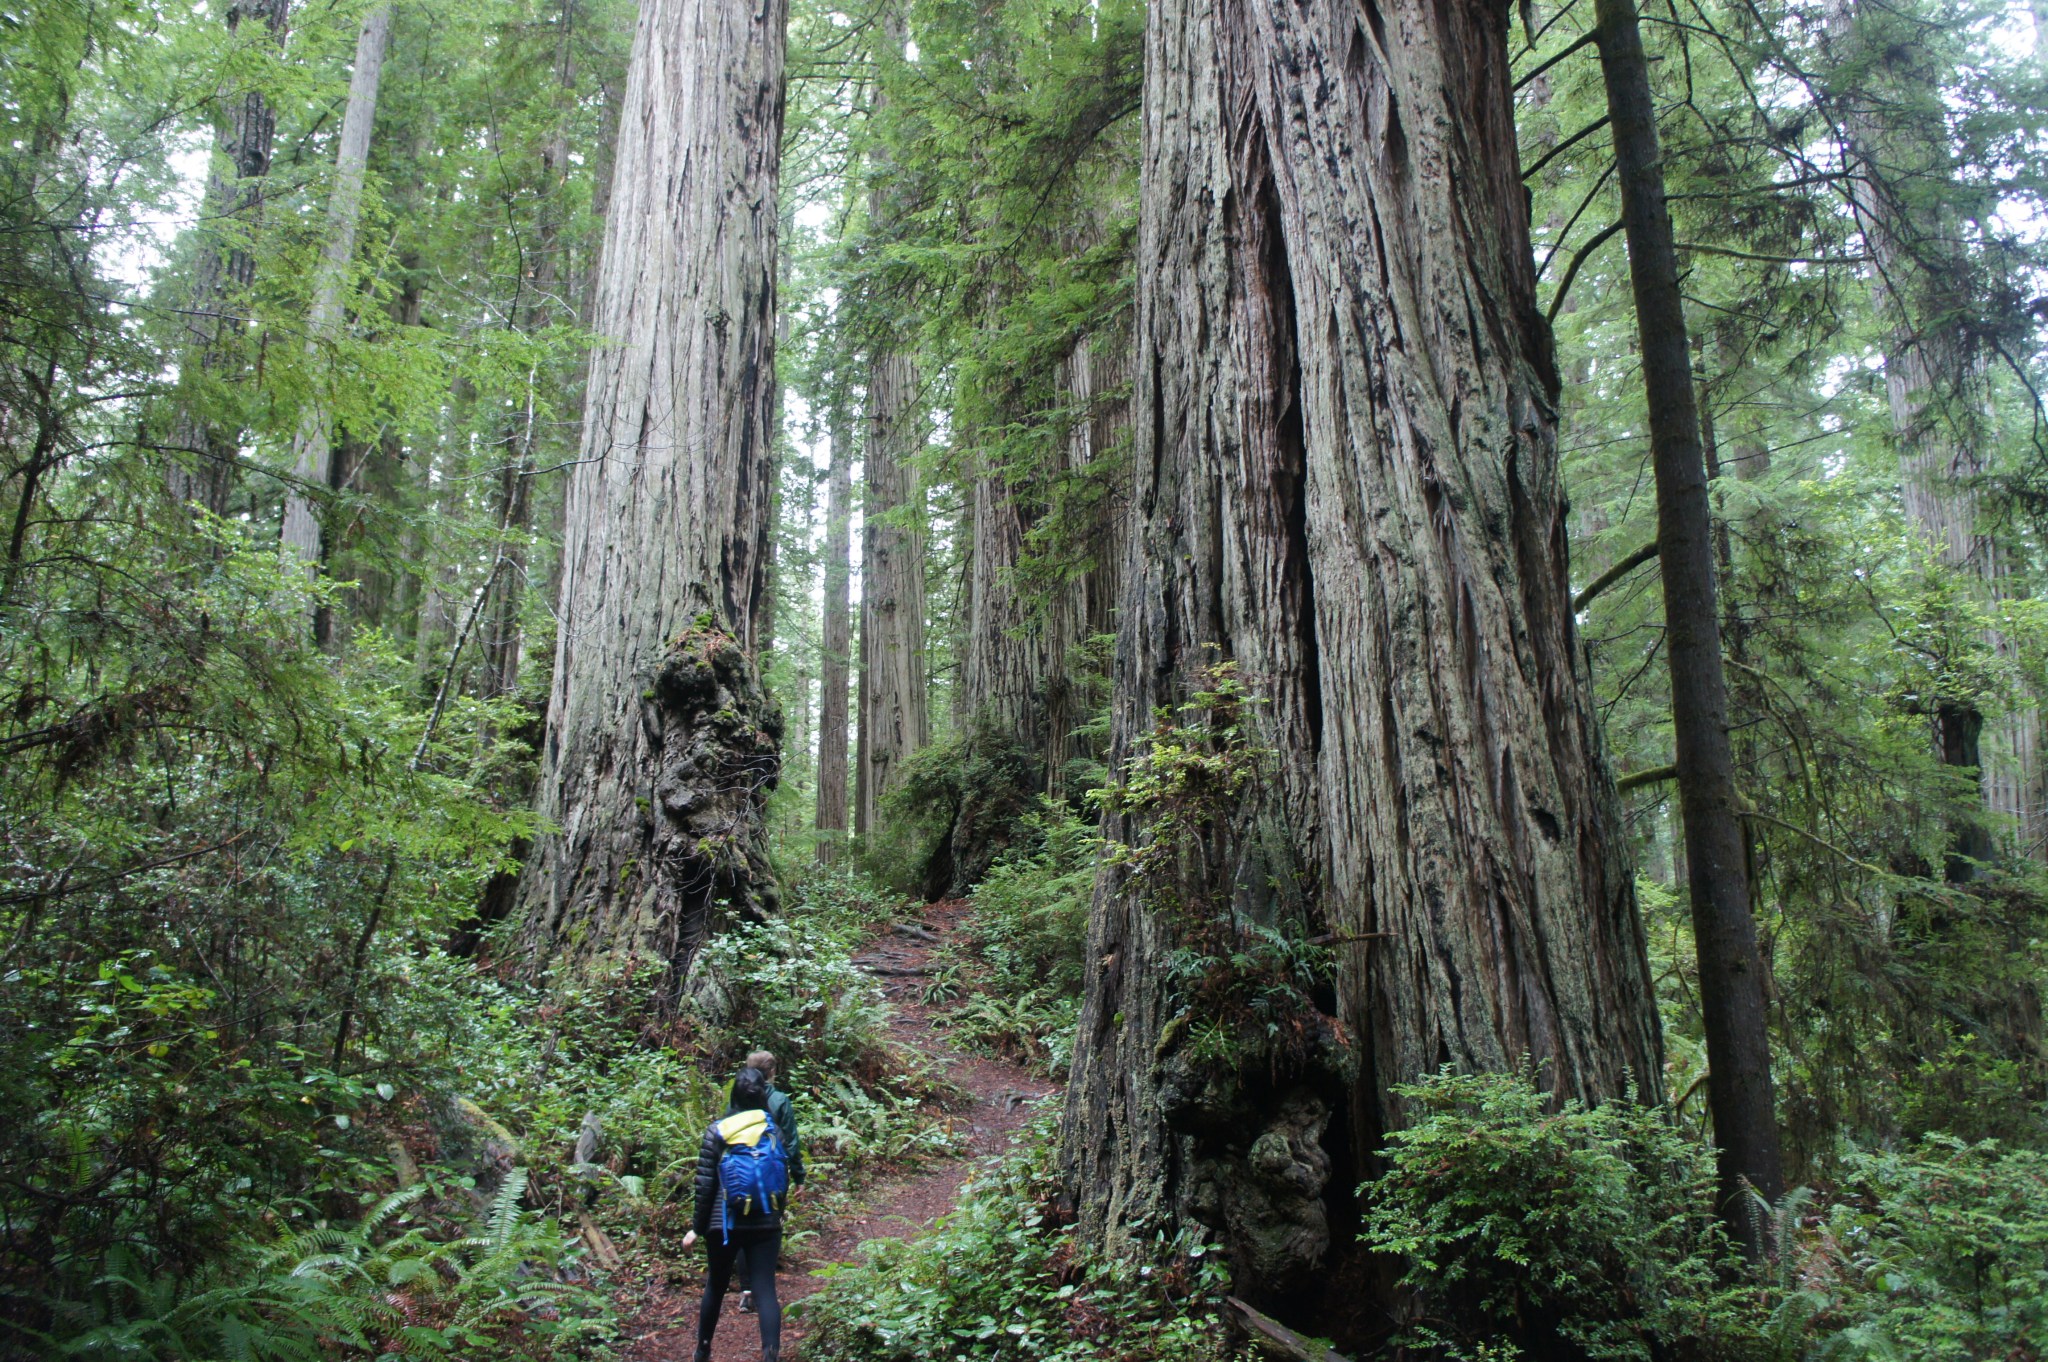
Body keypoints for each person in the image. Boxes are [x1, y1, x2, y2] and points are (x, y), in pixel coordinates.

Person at [683, 1066, 789, 1362]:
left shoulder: (717, 1131)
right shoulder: (772, 1129)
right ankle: (770, 1355)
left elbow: (705, 1185)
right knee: (765, 1288)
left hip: (724, 1222)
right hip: (766, 1220)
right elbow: (783, 1176)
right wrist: (778, 1213)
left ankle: (703, 1350)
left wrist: (698, 1228)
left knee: (716, 1285)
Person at [723, 1050, 801, 1314]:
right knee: (769, 1227)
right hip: (773, 1176)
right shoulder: (779, 1101)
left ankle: (747, 1290)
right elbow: (790, 1142)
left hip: (740, 1177)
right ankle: (762, 1288)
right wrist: (798, 1175)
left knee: (742, 1228)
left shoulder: (736, 1100)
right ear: (772, 1072)